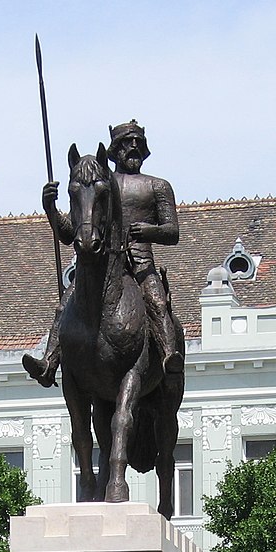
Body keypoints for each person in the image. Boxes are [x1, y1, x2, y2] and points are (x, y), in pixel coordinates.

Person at [23, 120, 183, 387]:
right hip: (102, 264)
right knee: (65, 304)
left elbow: (172, 231)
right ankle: (49, 363)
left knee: (156, 301)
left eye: (138, 144)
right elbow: (70, 232)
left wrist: (149, 231)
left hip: (140, 262)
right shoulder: (100, 183)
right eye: (125, 144)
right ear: (114, 151)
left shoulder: (158, 186)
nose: (133, 149)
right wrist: (50, 208)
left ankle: (169, 356)